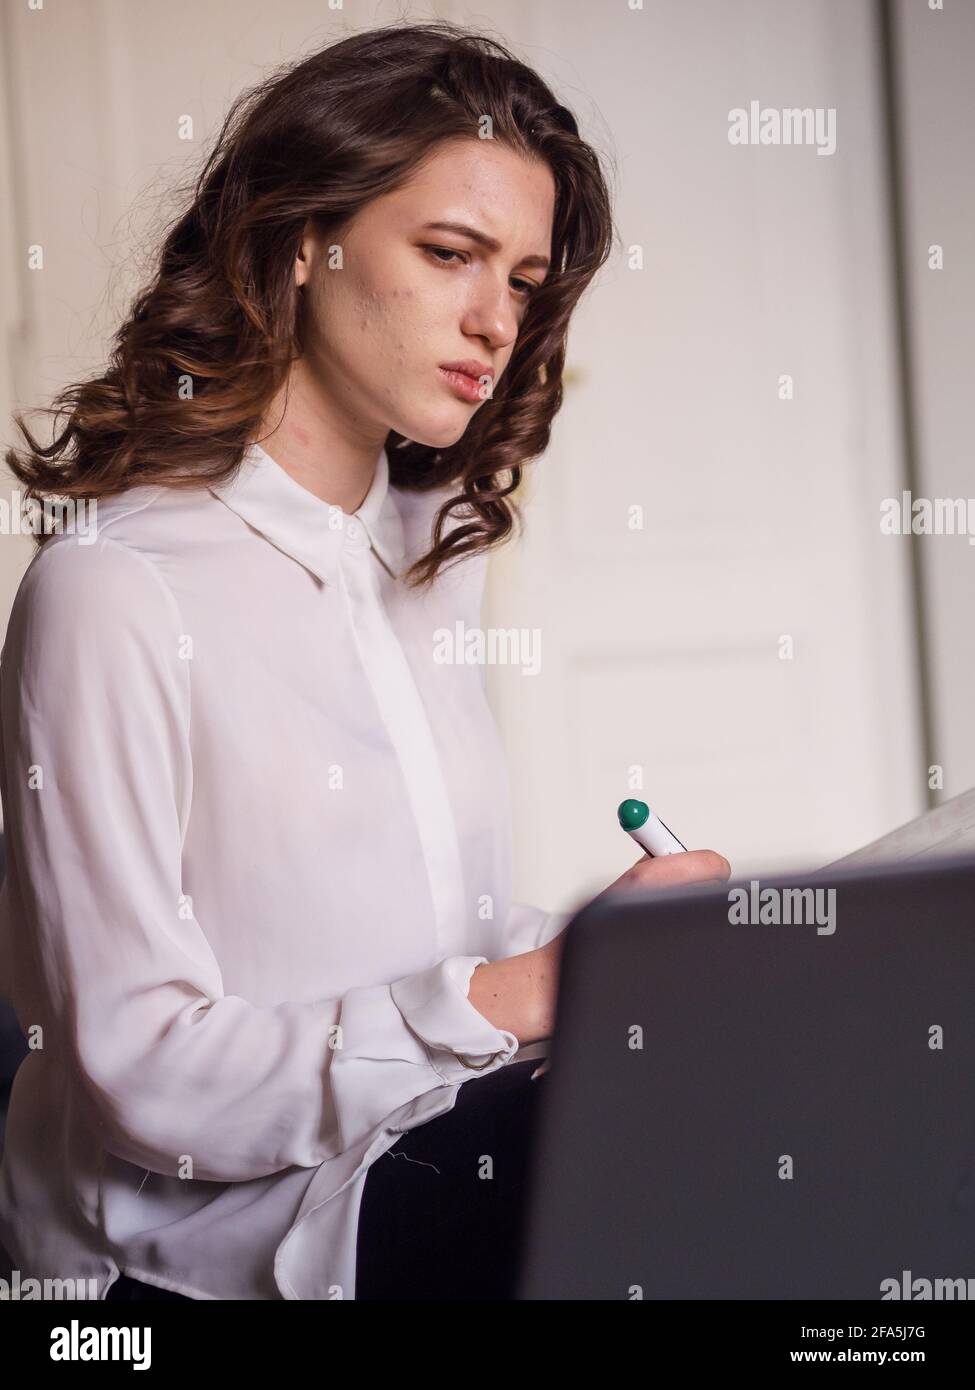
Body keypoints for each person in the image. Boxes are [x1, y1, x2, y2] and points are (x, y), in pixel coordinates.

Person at [0, 21, 730, 1301]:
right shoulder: (112, 591)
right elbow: (143, 1074)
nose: (494, 319)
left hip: (415, 1158)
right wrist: (514, 996)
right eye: (450, 255)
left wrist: (608, 957)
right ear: (301, 243)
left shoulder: (425, 560)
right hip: (180, 1266)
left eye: (521, 279)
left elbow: (416, 944)